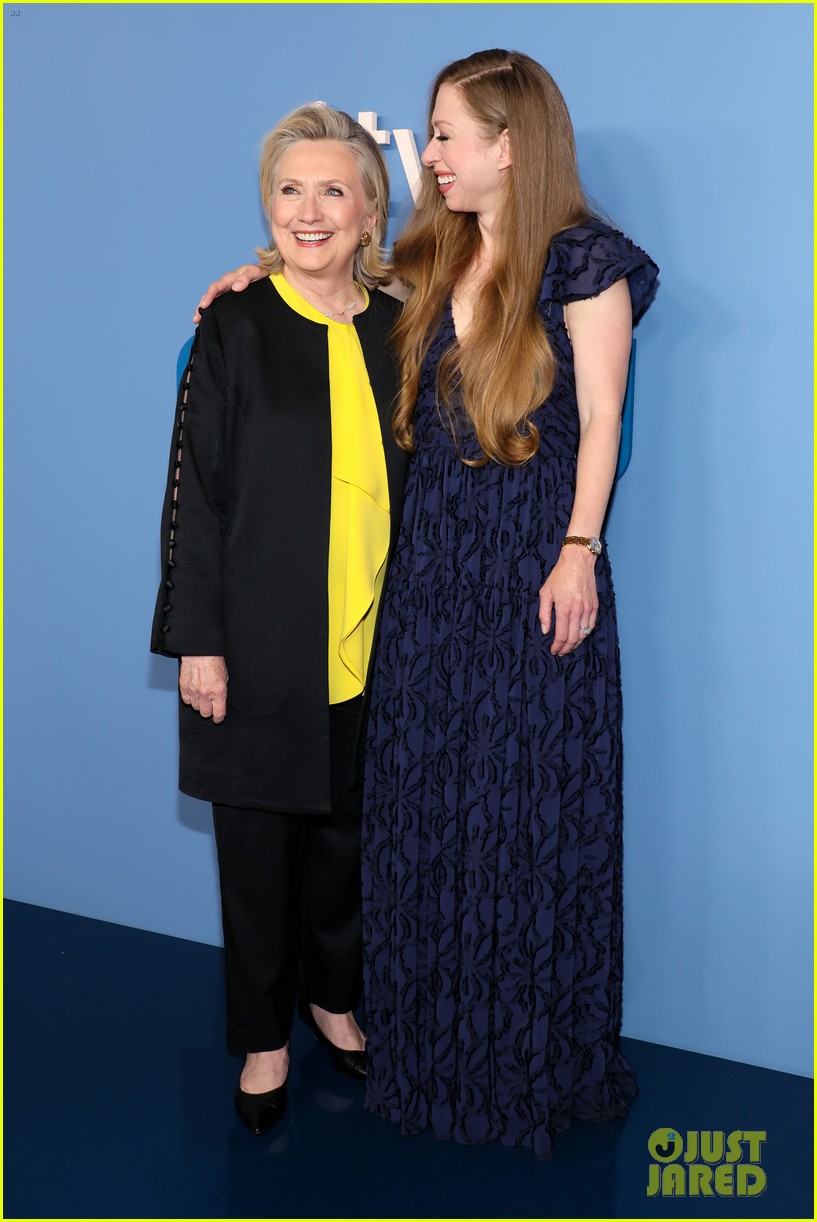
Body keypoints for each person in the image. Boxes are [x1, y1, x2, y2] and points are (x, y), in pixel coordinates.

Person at [199, 48, 658, 1160]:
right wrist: (248, 275)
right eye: (429, 134)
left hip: (533, 574)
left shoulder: (584, 262)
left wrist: (577, 552)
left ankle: (522, 1059)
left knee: (520, 825)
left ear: (511, 143)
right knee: (425, 822)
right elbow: (333, 288)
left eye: (446, 134)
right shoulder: (428, 255)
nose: (431, 155)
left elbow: (601, 422)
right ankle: (424, 1041)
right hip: (428, 586)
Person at [152, 103, 407, 1137]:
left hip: (377, 640)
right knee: (256, 852)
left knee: (346, 844)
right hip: (257, 642)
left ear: (366, 209)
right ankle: (263, 1036)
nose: (309, 211)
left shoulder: (401, 324)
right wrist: (199, 640)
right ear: (269, 206)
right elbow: (192, 496)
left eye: (332, 190)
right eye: (289, 191)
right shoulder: (233, 325)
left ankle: (330, 999)